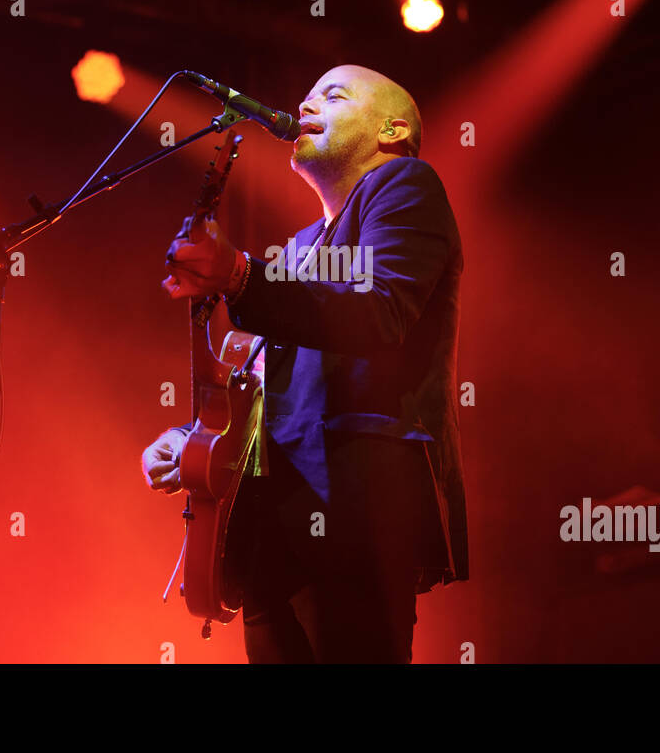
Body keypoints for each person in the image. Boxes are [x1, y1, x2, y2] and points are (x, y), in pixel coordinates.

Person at [143, 64, 467, 663]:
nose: (306, 102)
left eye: (333, 94)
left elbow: (380, 310)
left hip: (356, 511)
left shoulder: (404, 184)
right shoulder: (297, 247)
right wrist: (193, 442)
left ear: (391, 129)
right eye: (309, 92)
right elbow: (269, 388)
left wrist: (240, 276)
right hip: (274, 528)